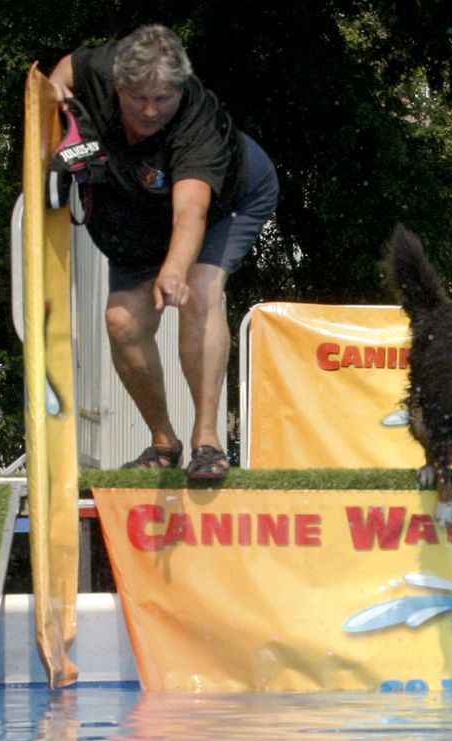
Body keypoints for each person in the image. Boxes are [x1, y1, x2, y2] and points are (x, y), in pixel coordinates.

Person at [49, 24, 279, 480]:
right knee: (122, 322)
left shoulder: (198, 125)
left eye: (164, 99)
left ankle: (207, 441)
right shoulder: (99, 66)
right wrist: (53, 96)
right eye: (139, 99)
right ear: (118, 84)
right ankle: (162, 439)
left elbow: (191, 214)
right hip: (137, 212)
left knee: (198, 290)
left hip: (227, 203)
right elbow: (63, 71)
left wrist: (174, 270)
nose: (151, 111)